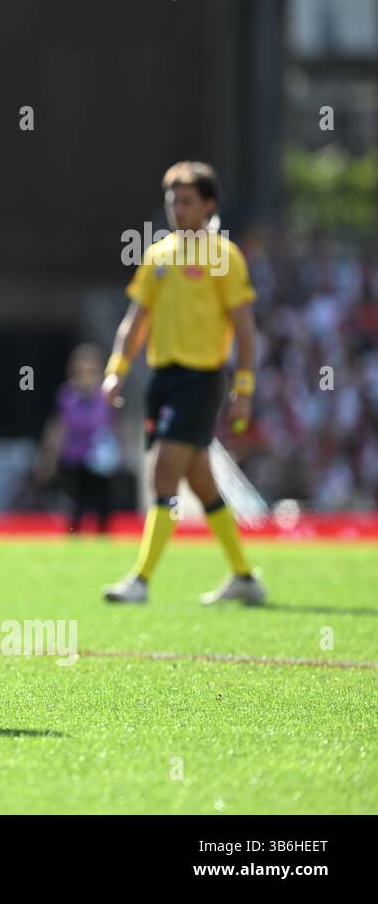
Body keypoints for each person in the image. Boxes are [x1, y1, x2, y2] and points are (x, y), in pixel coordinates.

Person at [100, 161, 265, 605]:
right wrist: (117, 368)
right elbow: (135, 320)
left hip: (201, 380)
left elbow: (245, 330)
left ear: (209, 205)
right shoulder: (158, 255)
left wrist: (243, 391)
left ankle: (141, 580)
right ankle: (245, 577)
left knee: (162, 475)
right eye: (173, 199)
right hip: (163, 381)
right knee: (201, 483)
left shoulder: (224, 258)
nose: (177, 207)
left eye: (187, 200)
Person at [35, 344, 118, 533]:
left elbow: (113, 424)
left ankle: (102, 543)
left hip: (100, 459)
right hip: (74, 457)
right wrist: (49, 458)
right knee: (76, 504)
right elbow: (58, 427)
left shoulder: (105, 395)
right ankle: (74, 538)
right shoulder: (66, 396)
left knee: (103, 503)